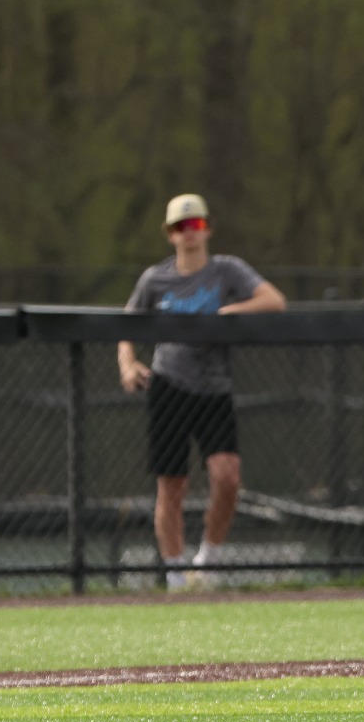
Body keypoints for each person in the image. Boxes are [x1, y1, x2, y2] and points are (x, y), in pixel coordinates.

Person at [119, 194, 286, 589]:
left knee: (227, 478)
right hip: (169, 387)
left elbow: (274, 301)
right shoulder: (154, 279)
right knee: (172, 485)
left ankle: (207, 562)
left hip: (214, 389)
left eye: (195, 225)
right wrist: (128, 365)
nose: (188, 233)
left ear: (207, 228)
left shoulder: (227, 271)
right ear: (169, 235)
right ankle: (177, 577)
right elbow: (125, 325)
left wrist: (228, 314)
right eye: (180, 227)